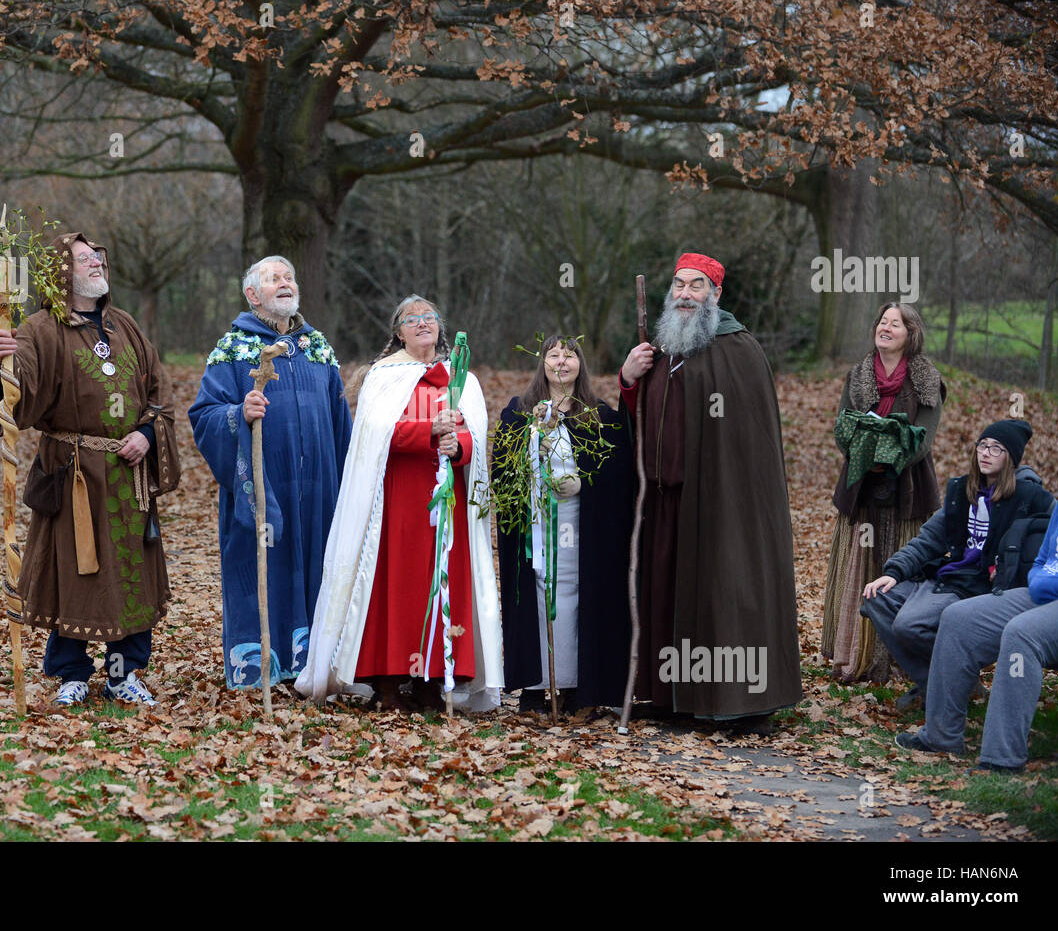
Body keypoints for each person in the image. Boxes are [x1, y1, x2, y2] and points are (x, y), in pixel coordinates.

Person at [0, 232, 180, 706]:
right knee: (73, 571)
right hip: (72, 475)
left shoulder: (126, 327)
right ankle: (71, 673)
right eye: (84, 259)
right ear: (61, 274)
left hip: (127, 480)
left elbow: (161, 398)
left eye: (98, 257)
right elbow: (19, 400)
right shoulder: (39, 329)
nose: (96, 264)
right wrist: (2, 360)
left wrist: (148, 434)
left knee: (128, 577)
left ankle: (121, 673)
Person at [618, 252, 801, 729]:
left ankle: (737, 703)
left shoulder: (738, 351)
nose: (684, 294)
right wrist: (629, 380)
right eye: (678, 284)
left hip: (723, 503)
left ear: (716, 294)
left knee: (723, 595)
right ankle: (671, 698)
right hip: (666, 501)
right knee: (669, 598)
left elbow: (748, 443)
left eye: (696, 285)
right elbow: (644, 417)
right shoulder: (663, 346)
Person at [296, 296, 502, 711]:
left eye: (429, 317)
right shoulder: (383, 377)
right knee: (396, 583)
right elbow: (374, 433)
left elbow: (476, 440)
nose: (423, 324)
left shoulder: (463, 379)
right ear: (398, 331)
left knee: (439, 582)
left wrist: (456, 443)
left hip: (448, 506)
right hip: (396, 500)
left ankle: (432, 681)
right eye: (413, 319)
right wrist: (428, 430)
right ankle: (388, 680)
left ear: (440, 327)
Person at [189, 256, 352, 690]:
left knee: (318, 567)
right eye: (273, 279)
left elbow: (340, 421)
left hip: (318, 489)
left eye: (289, 277)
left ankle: (314, 665)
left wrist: (346, 484)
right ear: (252, 294)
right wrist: (238, 412)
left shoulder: (318, 348)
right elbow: (204, 415)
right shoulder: (234, 349)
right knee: (265, 563)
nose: (285, 284)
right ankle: (264, 665)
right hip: (262, 488)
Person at [896, 429, 1058, 772]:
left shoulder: (1036, 496)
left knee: (1021, 633)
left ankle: (1002, 758)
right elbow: (1046, 558)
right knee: (959, 618)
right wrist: (1039, 579)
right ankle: (940, 735)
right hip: (1044, 593)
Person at [860, 419, 1053, 713]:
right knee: (877, 598)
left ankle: (944, 687)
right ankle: (948, 686)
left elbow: (1053, 537)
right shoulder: (962, 492)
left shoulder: (1029, 499)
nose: (986, 453)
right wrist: (893, 572)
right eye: (983, 445)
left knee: (909, 624)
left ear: (1011, 458)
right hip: (946, 576)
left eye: (997, 449)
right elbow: (928, 540)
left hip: (978, 588)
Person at [497, 336, 634, 714]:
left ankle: (575, 686)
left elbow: (616, 472)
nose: (561, 361)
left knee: (575, 595)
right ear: (542, 363)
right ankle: (534, 686)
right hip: (537, 524)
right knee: (539, 595)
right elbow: (502, 470)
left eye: (569, 355)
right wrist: (531, 452)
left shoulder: (598, 415)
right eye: (553, 355)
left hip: (579, 525)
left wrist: (583, 484)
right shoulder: (520, 411)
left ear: (580, 365)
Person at [822, 303, 944, 684]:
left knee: (898, 568)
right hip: (861, 487)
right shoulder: (858, 375)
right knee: (860, 567)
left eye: (896, 324)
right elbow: (843, 428)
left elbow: (923, 439)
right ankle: (857, 657)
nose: (886, 328)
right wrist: (863, 455)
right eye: (882, 322)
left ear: (911, 334)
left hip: (908, 490)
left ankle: (899, 659)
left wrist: (888, 457)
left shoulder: (926, 379)